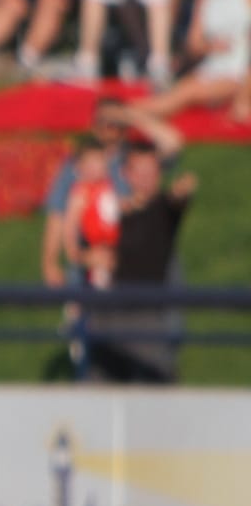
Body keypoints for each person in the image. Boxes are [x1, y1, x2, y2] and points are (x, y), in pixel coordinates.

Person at [40, 98, 182, 290]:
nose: (109, 126)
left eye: (115, 121)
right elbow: (58, 213)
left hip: (137, 255)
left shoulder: (137, 156)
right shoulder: (76, 165)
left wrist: (129, 116)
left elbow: (173, 142)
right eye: (103, 121)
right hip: (91, 260)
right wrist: (50, 261)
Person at [87, 142, 196, 383]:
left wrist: (182, 190)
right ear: (126, 174)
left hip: (147, 316)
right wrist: (88, 256)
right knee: (99, 394)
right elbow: (76, 246)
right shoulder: (110, 211)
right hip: (108, 312)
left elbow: (180, 192)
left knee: (154, 394)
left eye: (152, 172)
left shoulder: (163, 209)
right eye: (140, 172)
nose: (147, 179)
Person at [131, 0, 251, 122]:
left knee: (184, 93)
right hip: (214, 66)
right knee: (179, 91)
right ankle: (125, 111)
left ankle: (123, 112)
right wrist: (210, 47)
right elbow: (194, 43)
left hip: (239, 71)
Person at [62, 136, 120, 290]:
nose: (94, 167)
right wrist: (79, 255)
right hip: (92, 254)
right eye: (88, 163)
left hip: (113, 252)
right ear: (79, 167)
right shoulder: (80, 194)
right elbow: (70, 229)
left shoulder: (112, 187)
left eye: (98, 161)